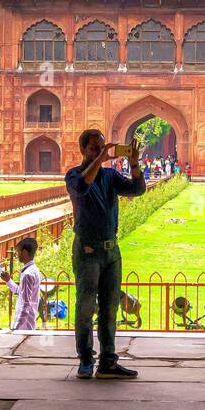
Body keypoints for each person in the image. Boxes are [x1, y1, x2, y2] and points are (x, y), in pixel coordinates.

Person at [65, 129, 146, 379]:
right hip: (88, 251)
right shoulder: (74, 175)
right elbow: (80, 189)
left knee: (110, 308)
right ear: (83, 150)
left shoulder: (110, 176)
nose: (99, 152)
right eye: (93, 148)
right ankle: (86, 359)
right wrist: (100, 160)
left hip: (111, 252)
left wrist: (134, 164)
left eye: (101, 147)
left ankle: (108, 362)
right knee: (86, 307)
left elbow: (138, 189)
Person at [0, 236, 41, 332]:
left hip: (24, 326)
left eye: (18, 252)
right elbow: (21, 292)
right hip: (26, 323)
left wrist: (16, 328)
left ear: (25, 253)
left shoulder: (28, 274)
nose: (17, 255)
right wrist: (8, 280)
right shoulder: (33, 270)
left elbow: (26, 303)